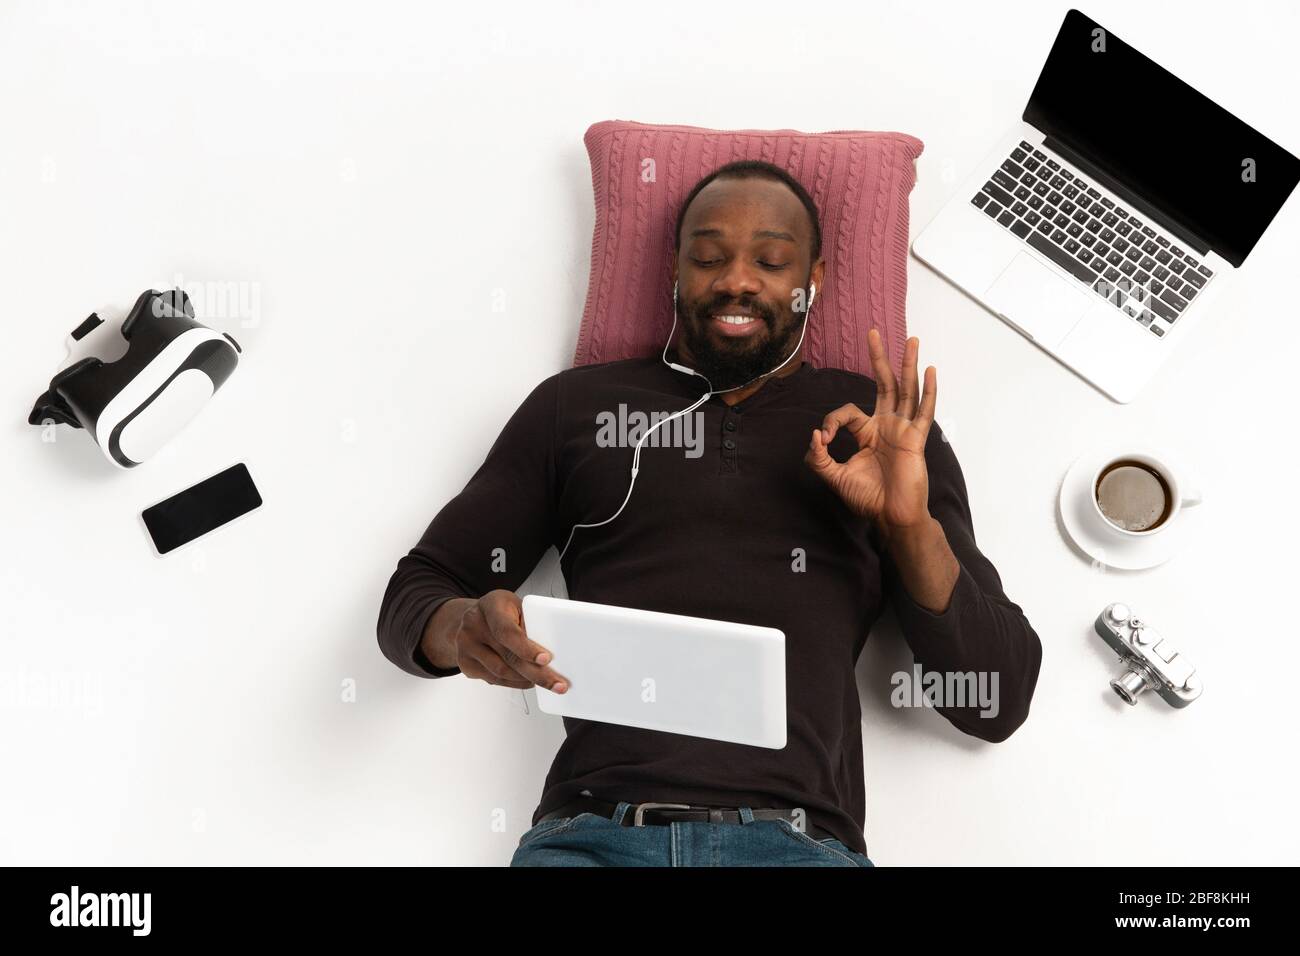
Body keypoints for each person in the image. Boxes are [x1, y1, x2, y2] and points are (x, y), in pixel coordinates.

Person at [377, 159, 1043, 867]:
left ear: (813, 279)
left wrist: (910, 525)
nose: (737, 280)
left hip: (798, 845)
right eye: (707, 257)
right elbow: (413, 597)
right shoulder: (575, 409)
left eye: (772, 259)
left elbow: (995, 701)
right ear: (675, 271)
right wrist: (463, 629)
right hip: (592, 836)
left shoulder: (880, 432)